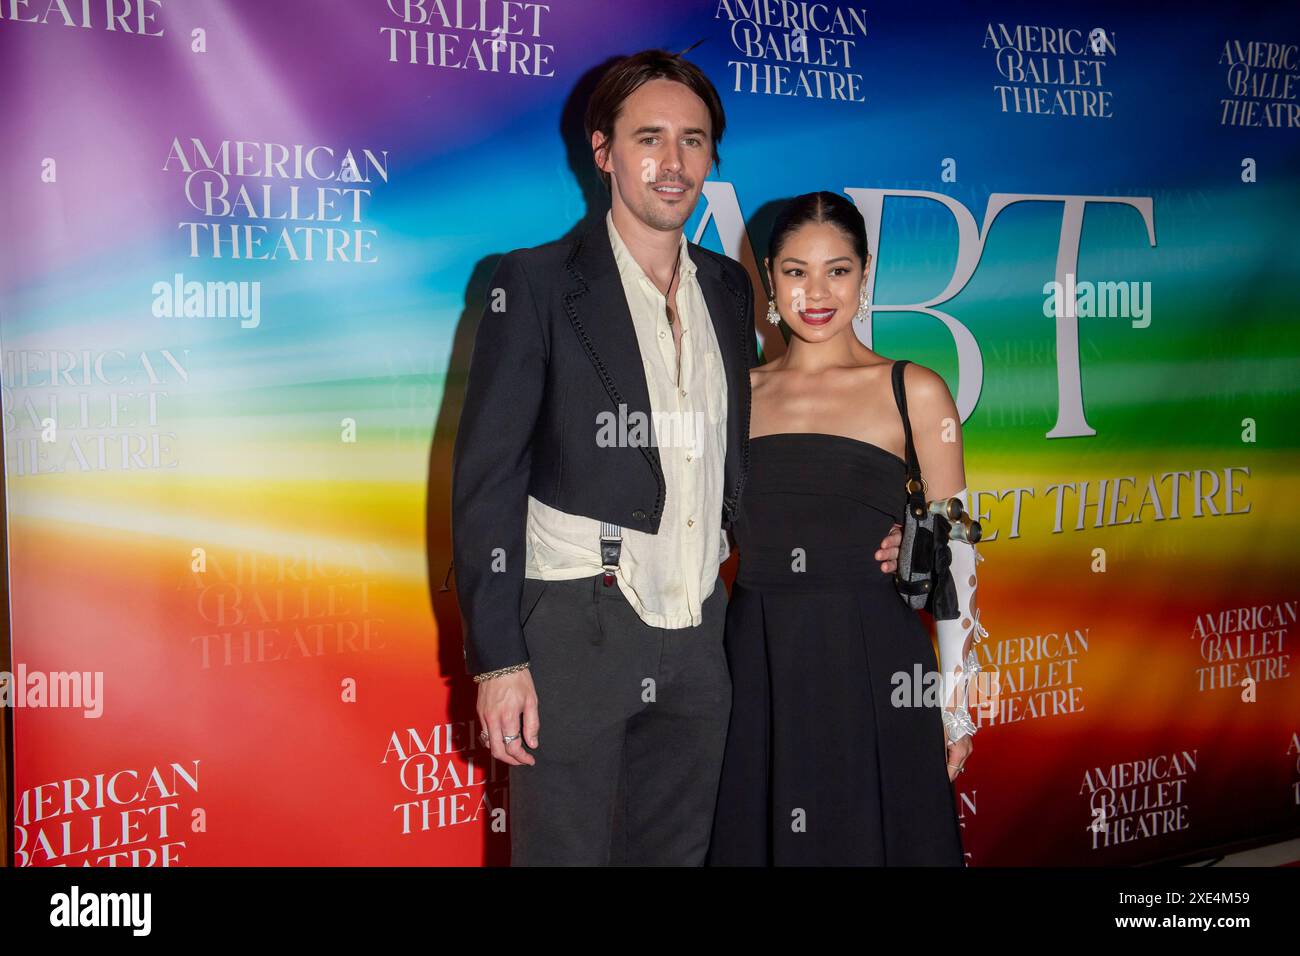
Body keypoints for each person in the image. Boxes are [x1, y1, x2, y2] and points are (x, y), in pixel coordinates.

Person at [450, 53, 905, 865]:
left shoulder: (730, 290)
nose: (673, 163)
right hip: (577, 624)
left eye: (693, 141)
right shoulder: (533, 284)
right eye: (649, 138)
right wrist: (500, 663)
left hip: (701, 634)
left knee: (674, 855)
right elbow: (487, 483)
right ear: (604, 151)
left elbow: (779, 444)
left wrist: (885, 531)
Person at [707, 191, 986, 866]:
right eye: (796, 271)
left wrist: (954, 703)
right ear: (769, 277)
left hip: (873, 658)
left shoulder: (913, 389)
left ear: (866, 274)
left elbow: (957, 556)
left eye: (838, 269)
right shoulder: (733, 394)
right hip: (756, 658)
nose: (817, 291)